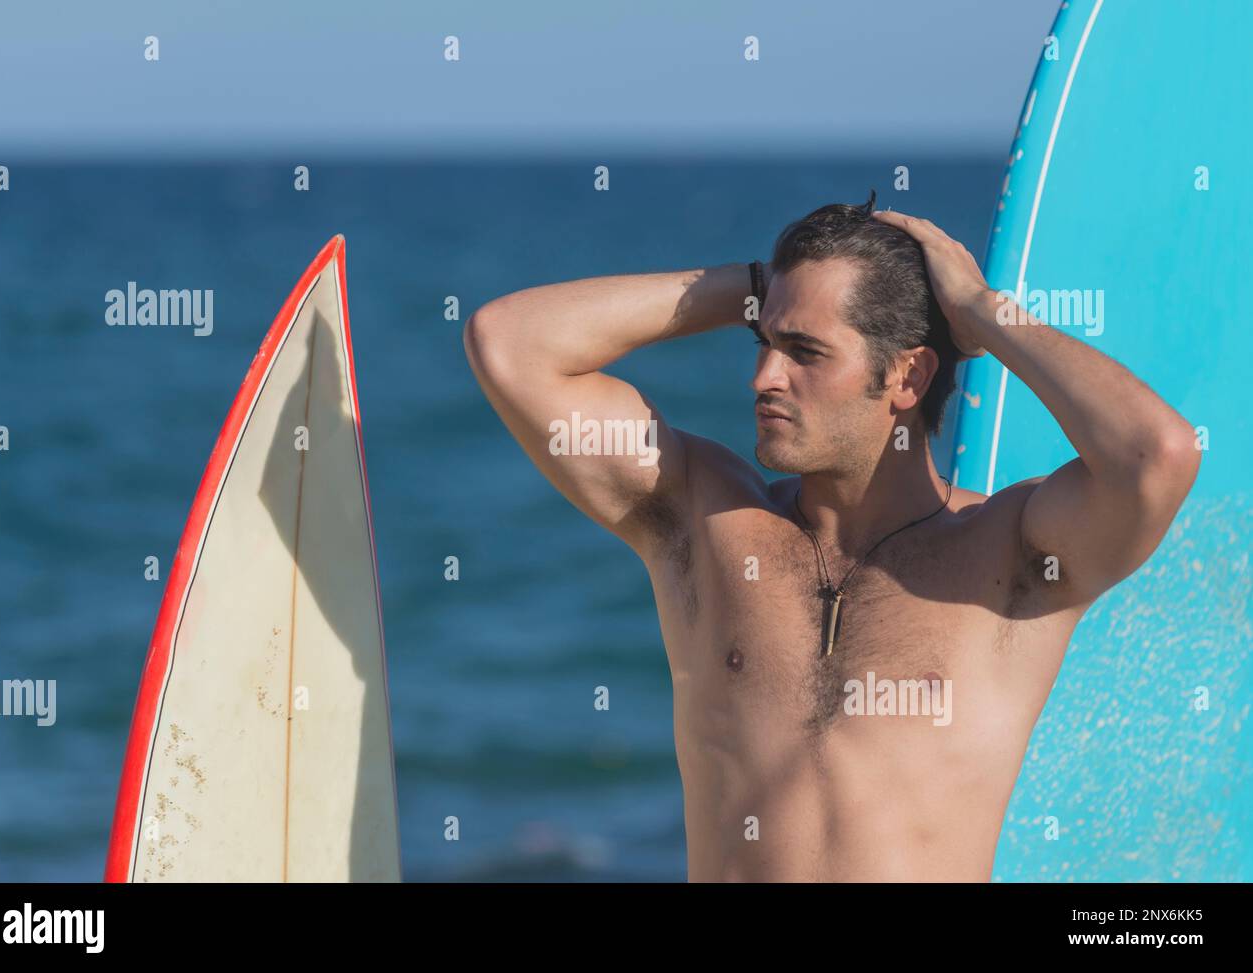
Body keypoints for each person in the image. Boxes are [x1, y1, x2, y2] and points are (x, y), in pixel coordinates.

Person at [462, 192, 1200, 881]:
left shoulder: (1012, 558)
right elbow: (508, 343)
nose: (763, 378)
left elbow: (1155, 455)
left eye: (804, 352)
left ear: (907, 377)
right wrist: (755, 285)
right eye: (763, 340)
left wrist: (980, 310)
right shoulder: (704, 520)